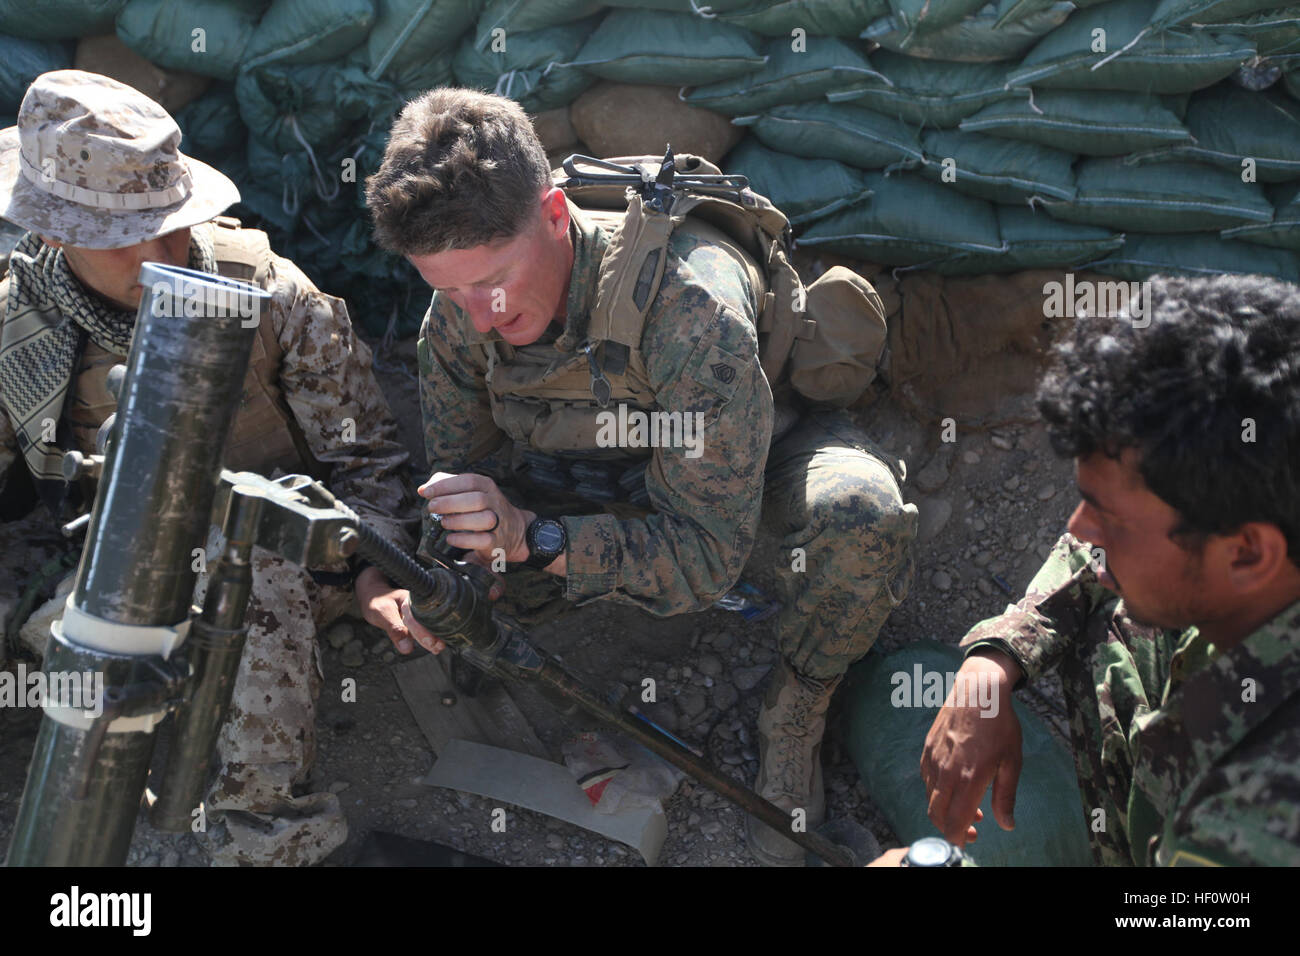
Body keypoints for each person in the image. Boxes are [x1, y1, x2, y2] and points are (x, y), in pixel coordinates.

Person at [360, 87, 918, 866]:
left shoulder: (691, 309)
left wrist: (535, 536)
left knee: (862, 518)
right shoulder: (460, 314)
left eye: (489, 283)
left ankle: (797, 713)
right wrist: (459, 566)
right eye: (445, 289)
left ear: (555, 216)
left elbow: (704, 556)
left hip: (745, 464)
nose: (477, 316)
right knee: (480, 576)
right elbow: (465, 471)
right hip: (588, 466)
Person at [0, 70, 416, 865]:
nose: (160, 255)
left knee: (246, 572)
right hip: (98, 561)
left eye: (171, 223)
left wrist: (377, 563)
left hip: (264, 556)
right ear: (54, 232)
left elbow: (366, 461)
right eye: (124, 235)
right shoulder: (18, 328)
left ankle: (274, 840)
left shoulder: (268, 296)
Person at [916, 272, 1300, 866]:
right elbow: (1090, 558)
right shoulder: (1262, 528)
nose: (1077, 528)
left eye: (1109, 518)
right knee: (1111, 616)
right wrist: (995, 663)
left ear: (1248, 553)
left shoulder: (1250, 828)